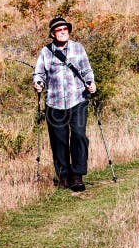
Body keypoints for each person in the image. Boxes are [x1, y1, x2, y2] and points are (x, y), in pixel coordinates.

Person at [33, 16, 97, 192]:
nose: (63, 32)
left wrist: (91, 83)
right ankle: (63, 176)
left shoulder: (78, 48)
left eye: (65, 29)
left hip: (78, 99)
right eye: (59, 30)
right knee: (58, 141)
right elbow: (39, 73)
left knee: (79, 136)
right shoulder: (45, 52)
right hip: (54, 102)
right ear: (53, 34)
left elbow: (86, 70)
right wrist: (38, 83)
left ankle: (77, 175)